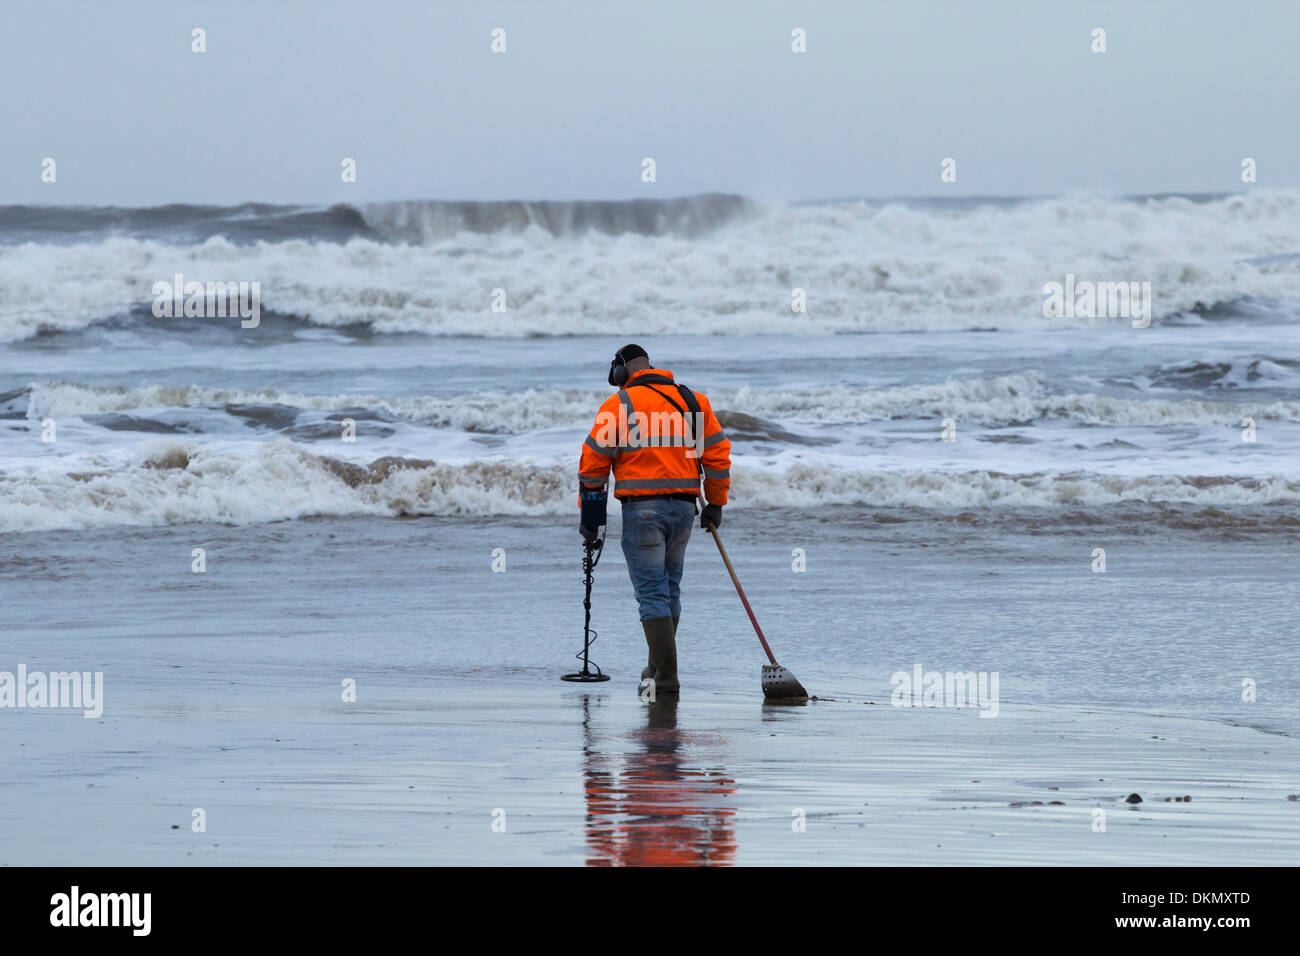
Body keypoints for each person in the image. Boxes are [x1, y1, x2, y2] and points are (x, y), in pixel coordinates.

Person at [578, 344, 732, 696]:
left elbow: (593, 466)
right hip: (684, 511)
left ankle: (665, 681)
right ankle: (655, 668)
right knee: (668, 591)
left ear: (621, 373)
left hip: (642, 511)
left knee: (651, 594)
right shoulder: (693, 402)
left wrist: (591, 517)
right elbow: (719, 457)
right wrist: (716, 504)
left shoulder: (620, 405)